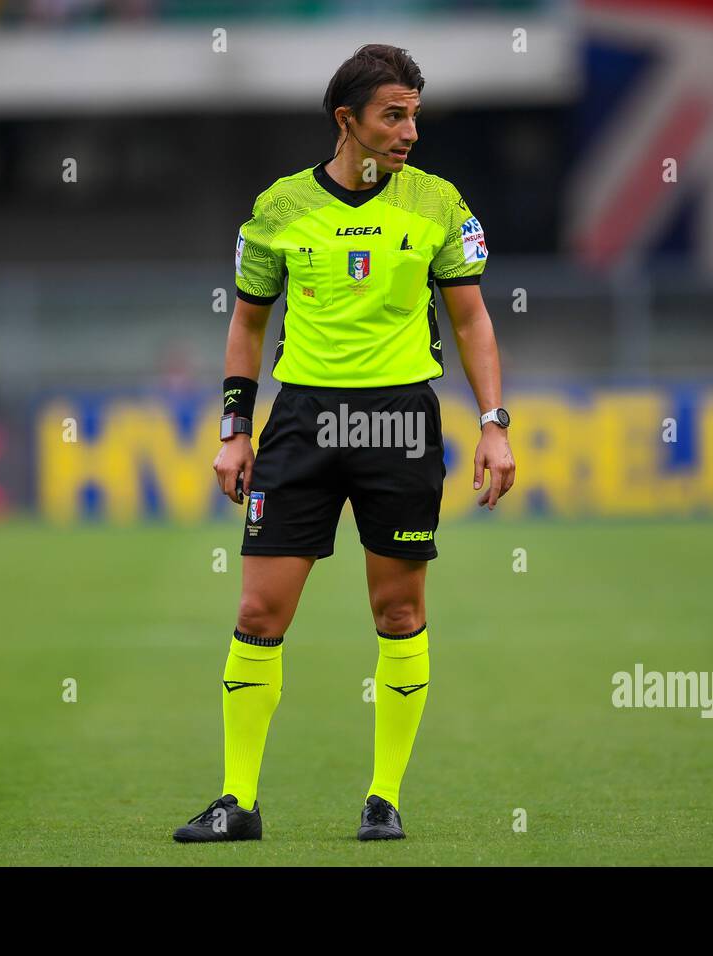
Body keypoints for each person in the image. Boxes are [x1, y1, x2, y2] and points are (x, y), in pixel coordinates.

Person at [174, 43, 515, 843]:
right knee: (260, 609)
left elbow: (470, 320)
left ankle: (384, 798)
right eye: (393, 116)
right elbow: (248, 324)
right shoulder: (280, 209)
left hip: (399, 422)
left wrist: (494, 425)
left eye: (414, 117)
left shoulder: (436, 204)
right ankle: (238, 801)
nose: (408, 133)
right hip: (301, 423)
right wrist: (234, 431)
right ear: (348, 121)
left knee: (398, 612)